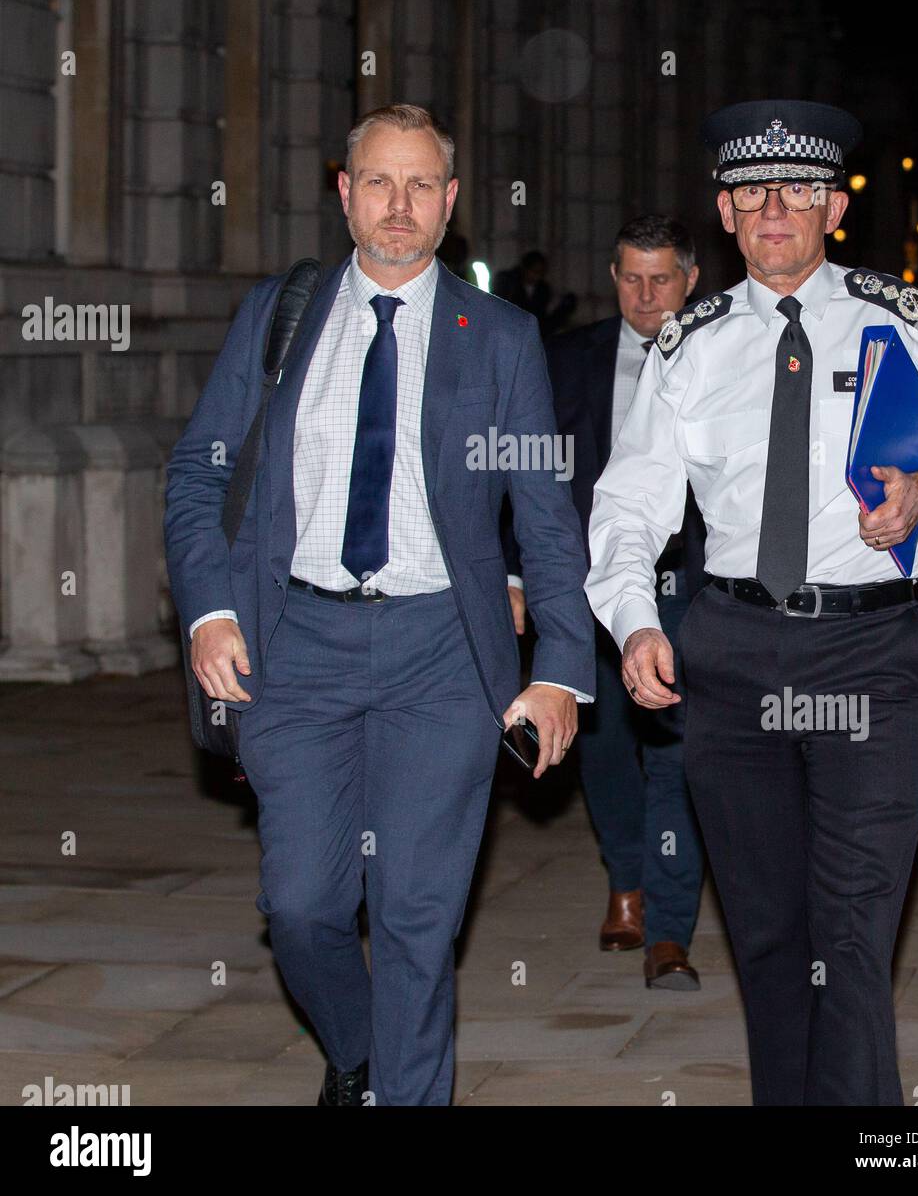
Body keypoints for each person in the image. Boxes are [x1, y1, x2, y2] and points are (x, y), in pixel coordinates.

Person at [164, 103, 595, 1107]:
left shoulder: (498, 339)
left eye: (420, 185)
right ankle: (358, 1051)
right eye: (377, 182)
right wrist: (207, 610)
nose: (398, 206)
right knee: (304, 903)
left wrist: (561, 669)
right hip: (293, 645)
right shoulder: (280, 315)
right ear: (344, 193)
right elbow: (198, 474)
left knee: (414, 913)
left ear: (449, 204)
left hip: (440, 650)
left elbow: (544, 515)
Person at [585, 100, 918, 1105]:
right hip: (728, 650)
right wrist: (635, 618)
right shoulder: (687, 343)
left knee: (851, 933)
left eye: (799, 191)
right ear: (723, 214)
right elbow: (630, 499)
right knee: (768, 940)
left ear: (835, 206)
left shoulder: (896, 318)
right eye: (751, 193)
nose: (775, 210)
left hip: (865, 654)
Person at [512, 215, 708, 988]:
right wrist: (517, 576)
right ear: (613, 277)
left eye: (662, 278)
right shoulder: (566, 361)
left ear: (690, 280)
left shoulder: (723, 356)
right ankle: (624, 878)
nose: (646, 294)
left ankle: (667, 928)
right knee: (602, 750)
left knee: (676, 752)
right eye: (631, 277)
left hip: (691, 587)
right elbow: (525, 480)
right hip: (587, 589)